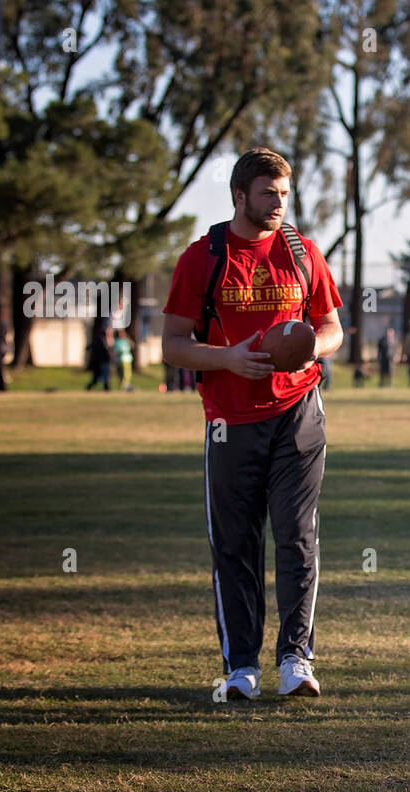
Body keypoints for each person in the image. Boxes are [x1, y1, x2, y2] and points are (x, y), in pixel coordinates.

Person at [161, 146, 344, 700]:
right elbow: (172, 345)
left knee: (297, 536)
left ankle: (296, 659)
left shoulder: (303, 252)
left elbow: (332, 327)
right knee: (235, 544)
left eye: (285, 194)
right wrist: (227, 358)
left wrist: (312, 352)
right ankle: (242, 666)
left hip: (299, 414)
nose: (278, 204)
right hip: (230, 420)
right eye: (268, 194)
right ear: (240, 195)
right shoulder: (204, 256)